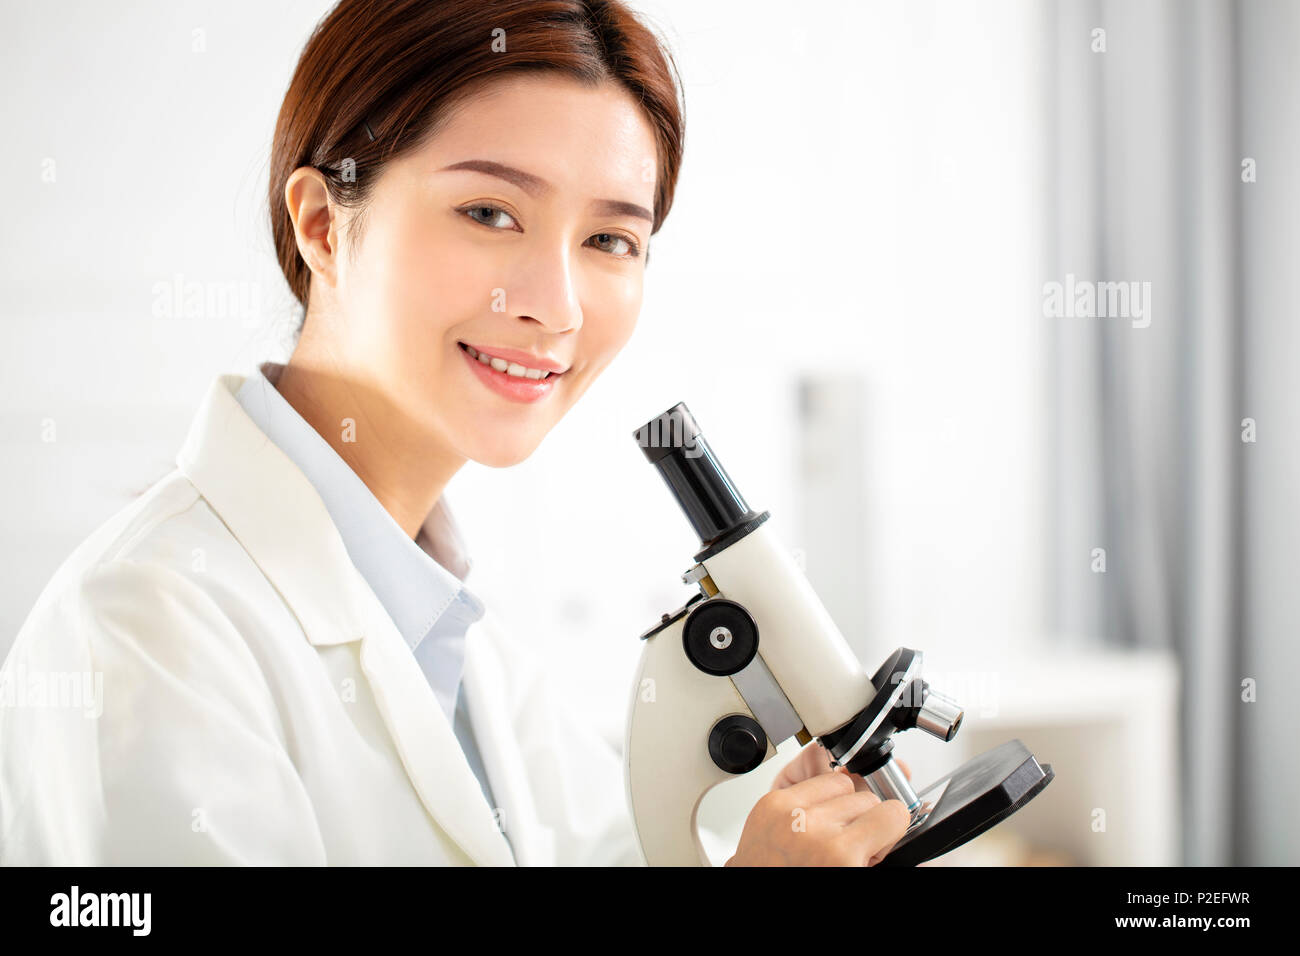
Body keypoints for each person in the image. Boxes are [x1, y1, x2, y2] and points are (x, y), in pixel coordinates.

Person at [0, 0, 911, 866]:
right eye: (489, 213)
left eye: (610, 241)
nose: (554, 307)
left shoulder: (457, 639)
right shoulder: (144, 630)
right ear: (323, 223)